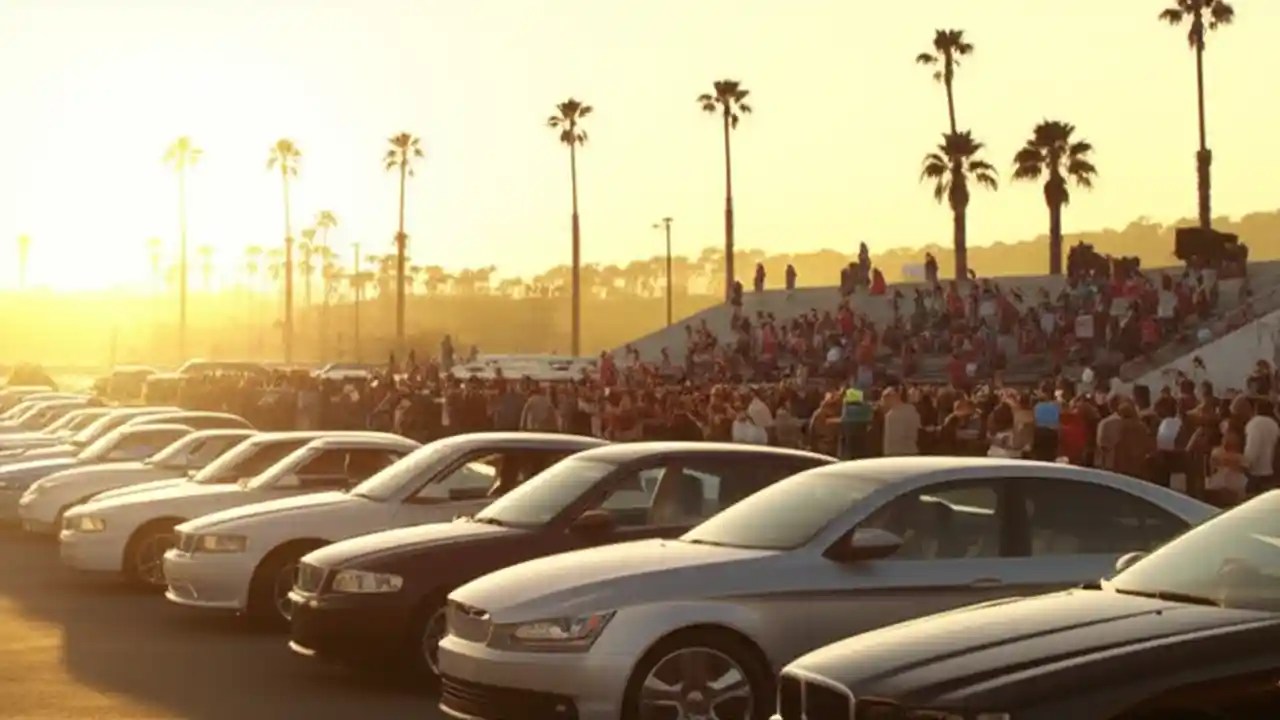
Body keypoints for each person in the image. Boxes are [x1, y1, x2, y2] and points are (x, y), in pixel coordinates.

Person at [1243, 398, 1279, 494]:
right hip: (1270, 472)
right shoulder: (1274, 424)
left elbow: (1252, 447)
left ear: (1256, 410)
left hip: (1255, 473)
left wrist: (1246, 464)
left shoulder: (1254, 423)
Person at [881, 388, 920, 456]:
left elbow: (893, 438)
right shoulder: (912, 410)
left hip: (896, 452)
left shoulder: (892, 415)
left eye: (885, 399)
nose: (884, 402)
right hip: (911, 450)